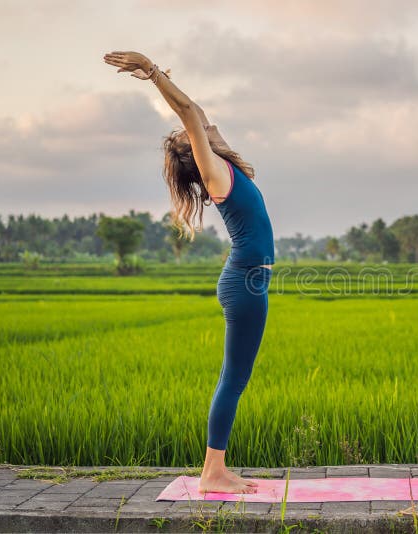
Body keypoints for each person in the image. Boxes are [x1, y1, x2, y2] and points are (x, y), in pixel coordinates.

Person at [103, 51, 275, 494]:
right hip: (244, 282)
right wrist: (153, 71)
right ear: (196, 149)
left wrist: (161, 79)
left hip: (248, 280)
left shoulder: (227, 168)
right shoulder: (215, 173)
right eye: (193, 130)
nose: (202, 121)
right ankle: (212, 473)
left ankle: (217, 468)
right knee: (234, 379)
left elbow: (193, 110)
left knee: (234, 377)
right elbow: (187, 112)